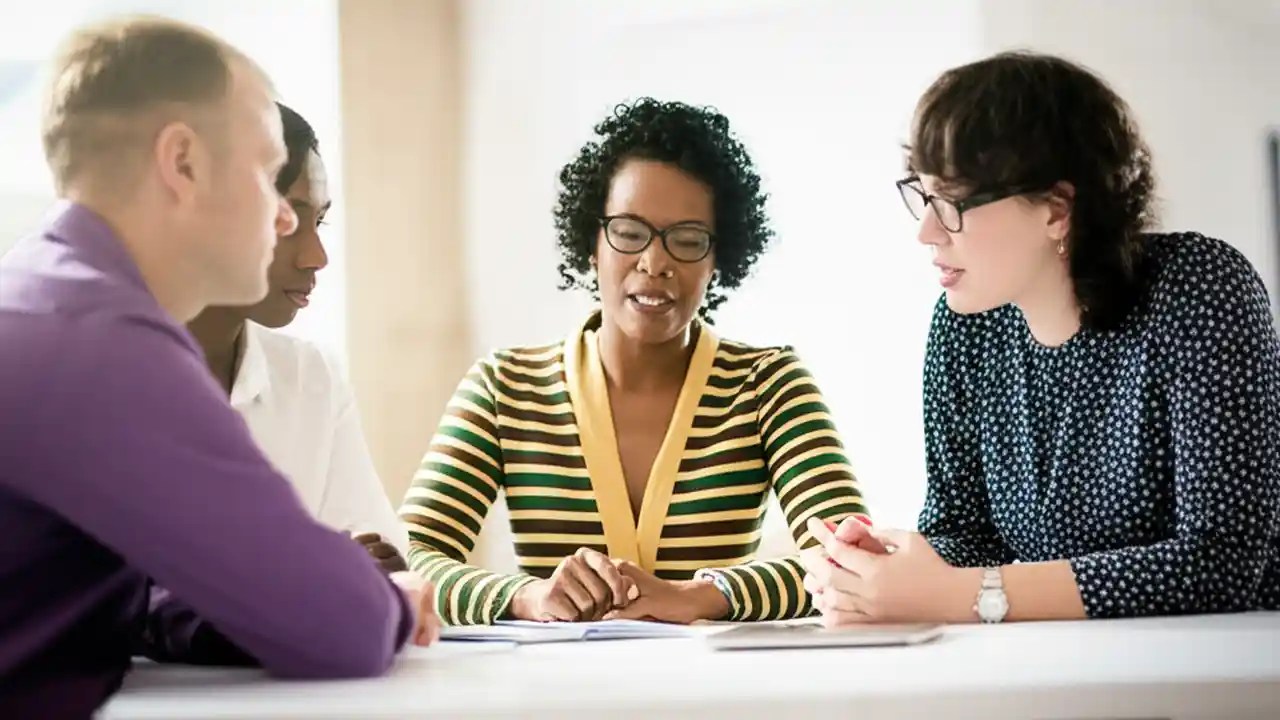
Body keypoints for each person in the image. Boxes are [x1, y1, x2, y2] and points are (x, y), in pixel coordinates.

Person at [0, 17, 436, 717]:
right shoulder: (105, 342)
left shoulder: (49, 295)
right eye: (267, 173)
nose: (287, 223)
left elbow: (149, 595)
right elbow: (342, 625)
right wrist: (388, 600)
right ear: (182, 163)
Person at [803, 51, 1280, 626]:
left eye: (951, 203)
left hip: (1227, 660)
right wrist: (884, 569)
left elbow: (1222, 561)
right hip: (1053, 657)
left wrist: (967, 595)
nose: (926, 232)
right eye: (923, 198)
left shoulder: (1198, 286)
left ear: (1056, 210)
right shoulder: (966, 324)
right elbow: (966, 533)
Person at [399, 97, 869, 626]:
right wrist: (527, 597)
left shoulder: (767, 385)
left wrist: (699, 596)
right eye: (628, 233)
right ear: (592, 243)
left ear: (718, 260)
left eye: (687, 240)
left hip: (714, 679)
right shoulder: (504, 388)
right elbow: (406, 561)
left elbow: (848, 559)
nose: (654, 262)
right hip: (557, 680)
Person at [187, 102, 406, 571]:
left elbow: (387, 563)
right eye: (285, 221)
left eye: (318, 222)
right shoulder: (98, 379)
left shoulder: (312, 378)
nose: (316, 257)